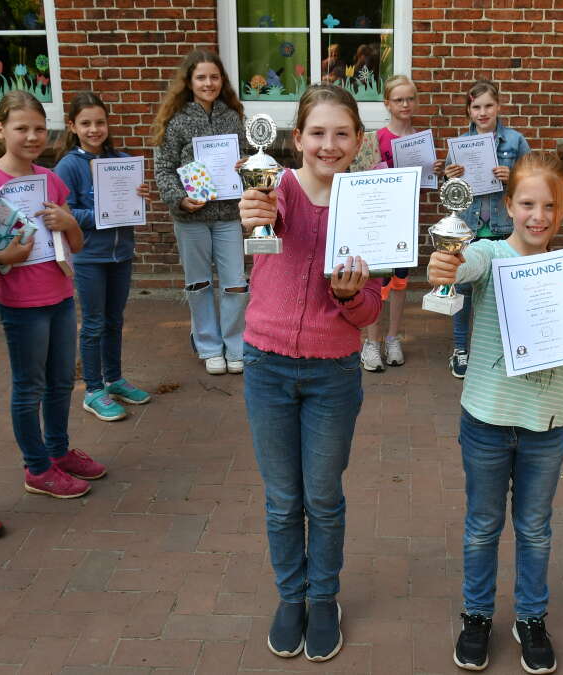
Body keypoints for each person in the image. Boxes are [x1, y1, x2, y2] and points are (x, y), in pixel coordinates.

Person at [428, 152, 563, 674]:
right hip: (485, 419)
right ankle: (477, 615)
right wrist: (447, 263)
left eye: (549, 206)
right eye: (526, 204)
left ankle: (530, 617)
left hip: (545, 425)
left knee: (535, 529)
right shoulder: (490, 254)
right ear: (508, 205)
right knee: (482, 526)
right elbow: (466, 266)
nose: (537, 216)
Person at [237, 84, 382, 662]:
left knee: (322, 497)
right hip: (266, 365)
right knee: (281, 500)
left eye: (342, 133)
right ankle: (290, 596)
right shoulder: (276, 189)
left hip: (332, 373)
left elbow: (370, 310)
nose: (329, 144)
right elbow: (259, 225)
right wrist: (251, 213)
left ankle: (323, 598)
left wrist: (348, 297)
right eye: (317, 133)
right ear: (297, 139)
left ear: (359, 140)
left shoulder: (368, 202)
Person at [0, 90, 107, 499]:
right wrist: (0, 256)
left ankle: (58, 452)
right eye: (21, 128)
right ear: (0, 129)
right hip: (21, 303)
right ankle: (37, 467)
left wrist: (69, 222)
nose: (32, 136)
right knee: (29, 387)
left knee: (61, 382)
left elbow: (76, 244)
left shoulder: (50, 179)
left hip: (59, 294)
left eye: (39, 129)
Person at [54, 92, 153, 422]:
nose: (94, 129)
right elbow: (65, 213)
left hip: (121, 254)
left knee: (114, 320)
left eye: (100, 122)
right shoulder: (68, 166)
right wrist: (104, 214)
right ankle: (93, 390)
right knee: (94, 323)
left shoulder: (121, 160)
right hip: (90, 257)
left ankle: (114, 380)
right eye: (86, 123)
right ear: (72, 126)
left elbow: (134, 208)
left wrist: (139, 198)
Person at [152, 49, 247, 375]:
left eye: (214, 77)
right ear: (189, 82)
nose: (209, 83)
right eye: (201, 77)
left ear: (222, 80)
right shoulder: (176, 121)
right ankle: (209, 347)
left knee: (235, 284)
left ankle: (235, 345)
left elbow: (246, 157)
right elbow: (163, 169)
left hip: (228, 214)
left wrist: (246, 164)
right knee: (199, 284)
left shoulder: (233, 117)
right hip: (191, 217)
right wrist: (179, 199)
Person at [444, 79, 531, 379]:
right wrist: (451, 176)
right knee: (463, 291)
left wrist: (515, 176)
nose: (482, 112)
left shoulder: (515, 141)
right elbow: (450, 191)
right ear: (468, 110)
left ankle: (502, 350)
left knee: (502, 293)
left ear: (499, 106)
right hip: (468, 228)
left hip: (503, 227)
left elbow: (534, 180)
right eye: (476, 107)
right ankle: (460, 348)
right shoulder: (459, 145)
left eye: (488, 106)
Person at [358, 74, 445, 371]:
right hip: (379, 219)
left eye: (410, 99)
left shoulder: (421, 140)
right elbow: (363, 178)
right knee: (375, 280)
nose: (405, 104)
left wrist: (434, 171)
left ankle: (392, 337)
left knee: (399, 280)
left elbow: (424, 187)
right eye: (399, 100)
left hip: (407, 218)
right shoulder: (375, 139)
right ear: (387, 103)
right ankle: (371, 342)